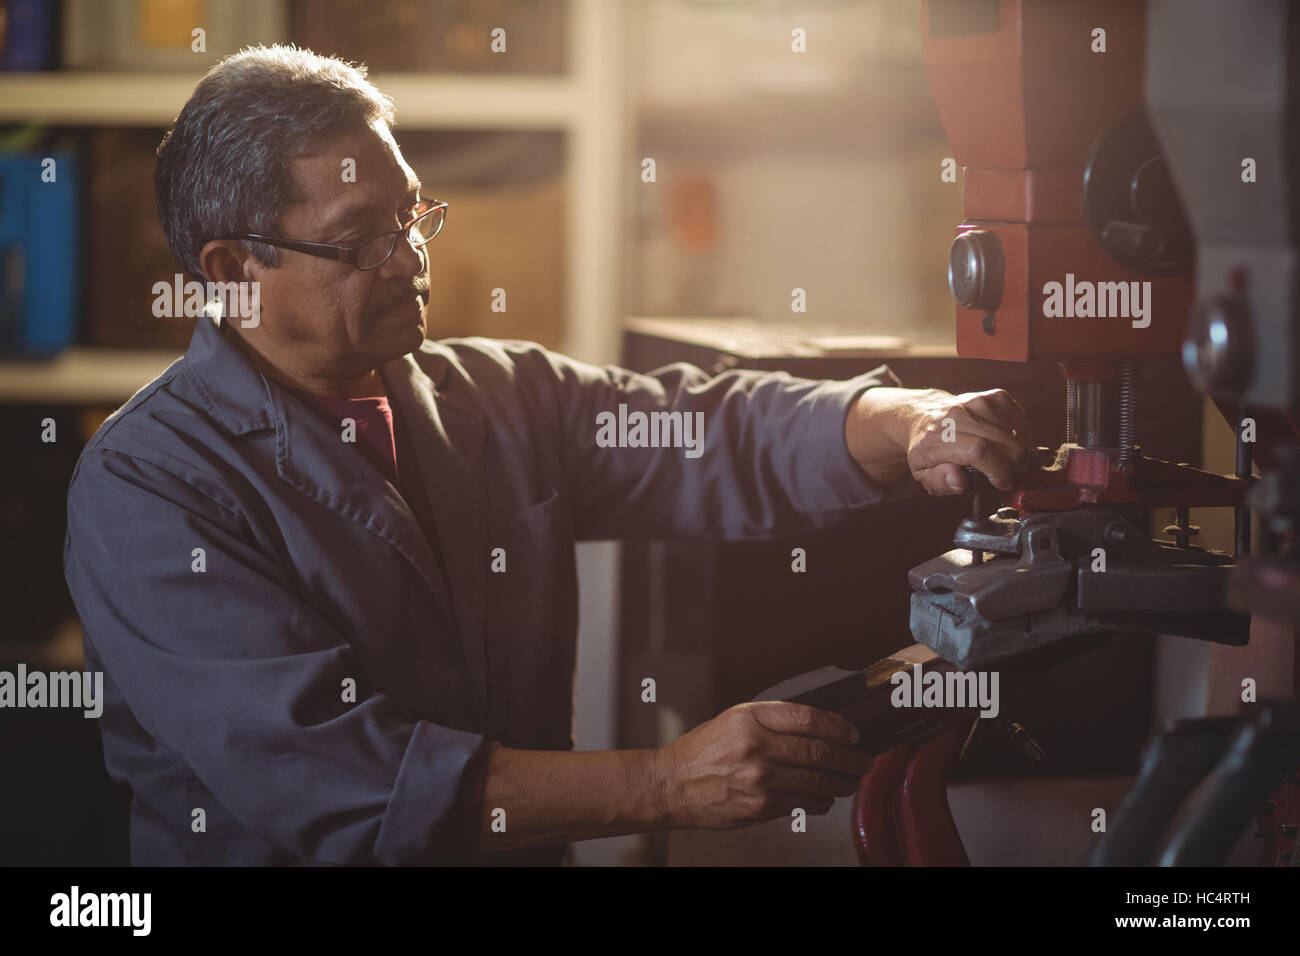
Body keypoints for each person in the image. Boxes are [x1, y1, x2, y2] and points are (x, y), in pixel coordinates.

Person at [64, 45, 1036, 865]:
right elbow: (341, 781)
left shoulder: (490, 392)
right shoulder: (149, 487)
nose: (411, 259)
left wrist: (905, 419)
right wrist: (662, 782)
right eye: (360, 240)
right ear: (236, 273)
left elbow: (705, 430)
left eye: (411, 214)